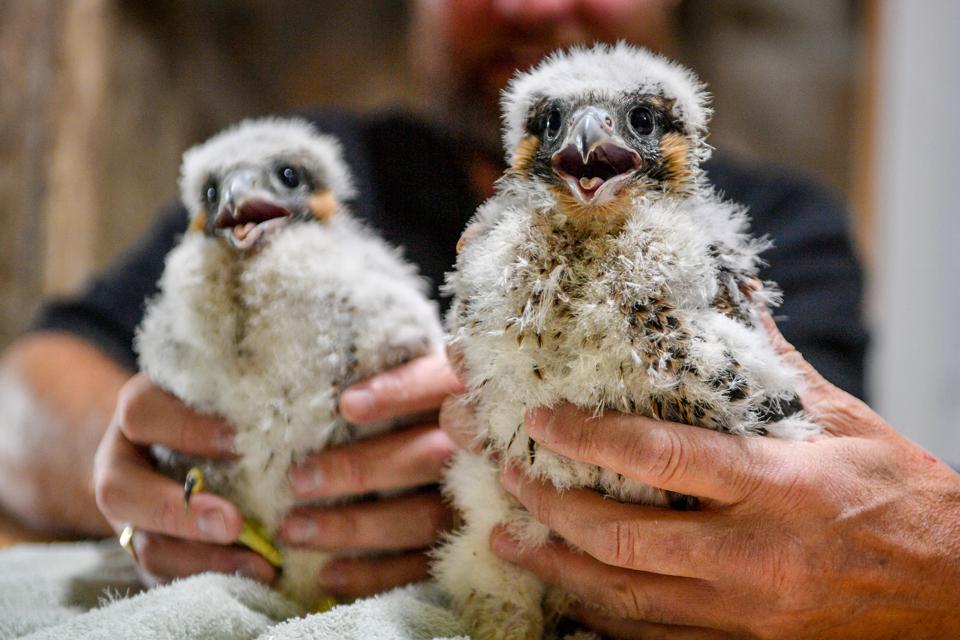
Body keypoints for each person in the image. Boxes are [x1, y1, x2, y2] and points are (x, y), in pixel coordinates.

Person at [1, 0, 956, 636]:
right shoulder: (304, 170)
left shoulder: (771, 224)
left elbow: (798, 501)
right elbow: (30, 388)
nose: (532, 5)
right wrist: (198, 469)